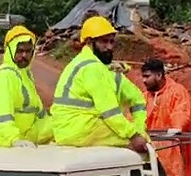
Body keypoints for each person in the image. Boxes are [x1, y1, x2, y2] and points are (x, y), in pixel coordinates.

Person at [50, 16, 150, 152]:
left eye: (111, 42)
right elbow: (110, 112)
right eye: (104, 42)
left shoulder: (91, 65)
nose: (109, 47)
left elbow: (137, 99)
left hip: (71, 129)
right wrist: (134, 135)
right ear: (90, 42)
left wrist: (139, 128)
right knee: (142, 145)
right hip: (81, 129)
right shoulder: (92, 68)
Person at [0, 25, 53, 148]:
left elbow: (39, 115)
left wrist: (55, 131)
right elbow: (2, 117)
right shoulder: (4, 77)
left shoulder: (25, 76)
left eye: (28, 51)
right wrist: (14, 140)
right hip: (10, 146)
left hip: (28, 142)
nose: (24, 55)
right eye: (20, 51)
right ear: (10, 50)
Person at [141, 57, 191, 176]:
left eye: (147, 76)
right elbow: (137, 115)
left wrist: (177, 127)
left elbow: (181, 111)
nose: (144, 80)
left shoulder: (177, 91)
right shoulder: (145, 96)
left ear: (159, 75)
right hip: (153, 145)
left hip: (172, 145)